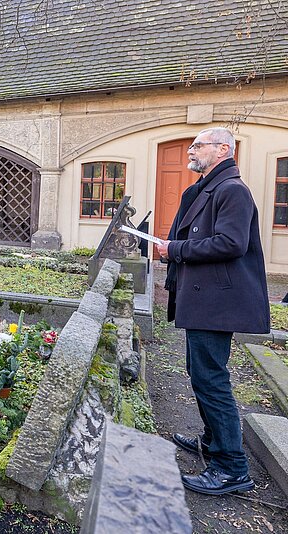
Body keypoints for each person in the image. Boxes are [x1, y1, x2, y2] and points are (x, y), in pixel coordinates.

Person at [156, 127, 269, 496]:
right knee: (200, 372)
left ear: (223, 149)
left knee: (211, 378)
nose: (191, 149)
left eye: (198, 145)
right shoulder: (208, 188)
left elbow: (231, 243)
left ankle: (232, 468)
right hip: (205, 299)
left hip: (218, 302)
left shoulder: (232, 190)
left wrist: (176, 250)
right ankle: (212, 440)